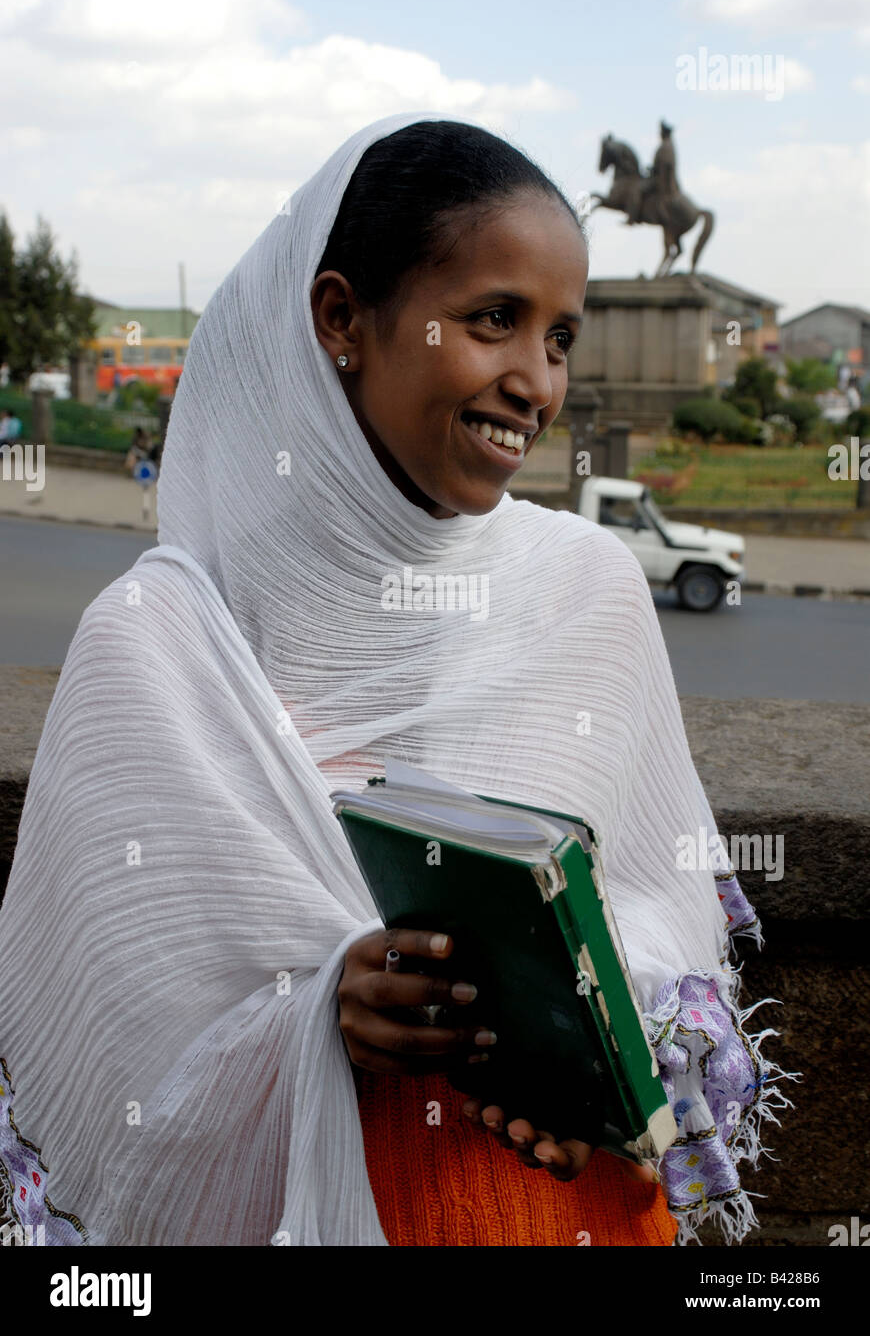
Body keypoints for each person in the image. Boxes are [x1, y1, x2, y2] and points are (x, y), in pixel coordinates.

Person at [0, 113, 792, 1248]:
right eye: (492, 321)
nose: (537, 384)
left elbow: (657, 916)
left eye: (561, 338)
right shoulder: (160, 638)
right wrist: (319, 1009)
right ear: (341, 320)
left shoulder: (589, 590)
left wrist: (595, 1082)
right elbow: (115, 1004)